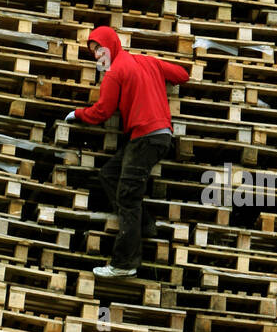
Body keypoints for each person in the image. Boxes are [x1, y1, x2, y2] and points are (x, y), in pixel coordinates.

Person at [61, 25, 189, 277]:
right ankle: (145, 225)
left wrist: (76, 114)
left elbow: (102, 112)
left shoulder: (113, 74)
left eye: (100, 49)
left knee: (128, 198)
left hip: (145, 138)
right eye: (94, 52)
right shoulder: (146, 61)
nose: (98, 56)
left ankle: (124, 263)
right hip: (159, 136)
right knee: (109, 174)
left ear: (112, 44)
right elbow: (182, 75)